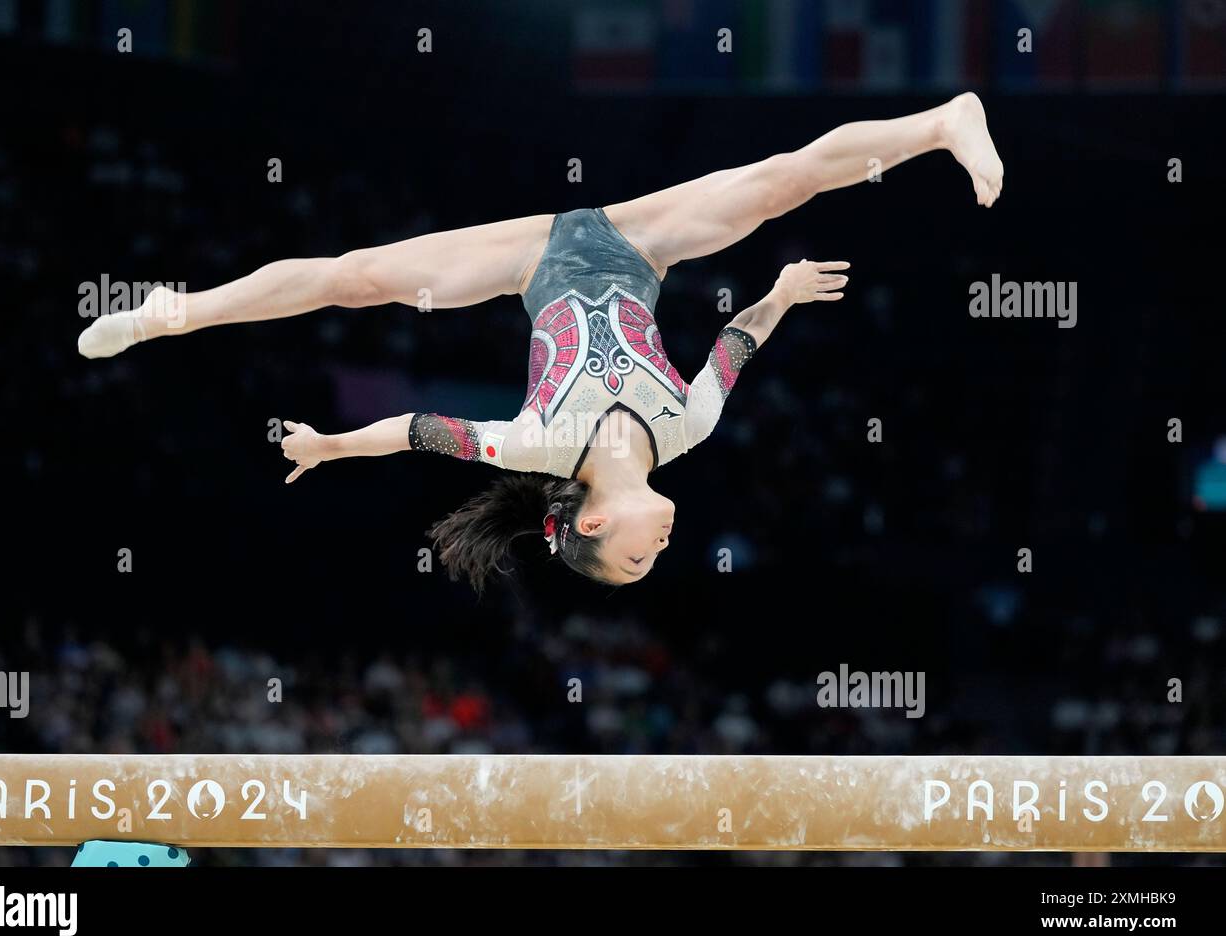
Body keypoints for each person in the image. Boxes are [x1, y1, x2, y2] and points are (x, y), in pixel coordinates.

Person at [78, 94, 1003, 590]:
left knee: (352, 277)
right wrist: (782, 295)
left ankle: (178, 310)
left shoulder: (536, 445)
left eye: (640, 558)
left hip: (529, 263)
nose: (665, 548)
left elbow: (413, 431)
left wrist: (329, 445)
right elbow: (736, 346)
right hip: (641, 246)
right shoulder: (687, 430)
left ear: (592, 525)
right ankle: (939, 123)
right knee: (775, 186)